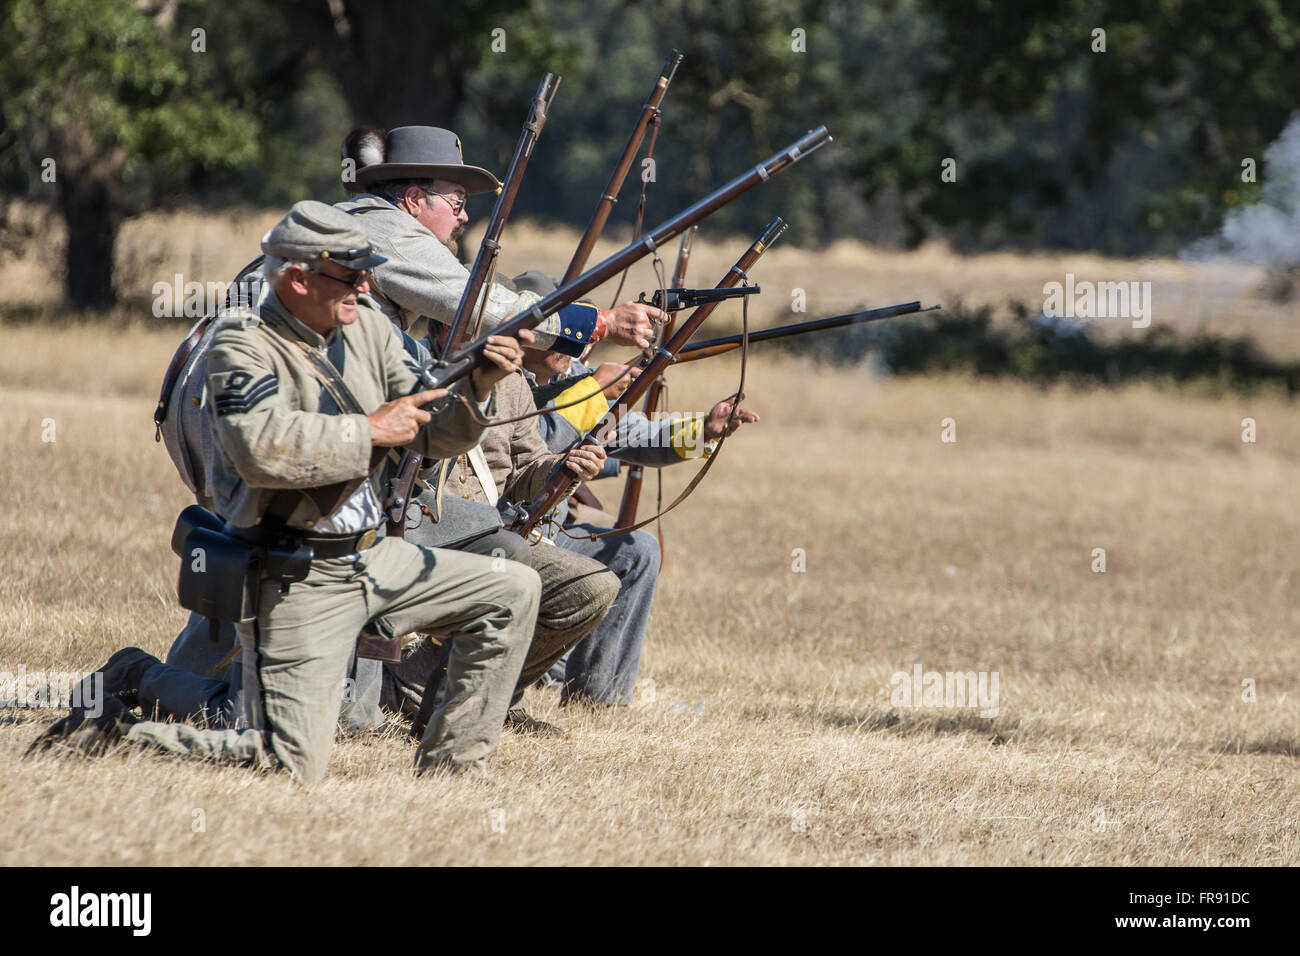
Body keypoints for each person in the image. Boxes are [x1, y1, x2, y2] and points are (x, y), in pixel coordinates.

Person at [29, 201, 541, 784]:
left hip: (373, 556)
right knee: (287, 765)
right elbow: (261, 449)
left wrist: (477, 387)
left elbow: (434, 435)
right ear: (299, 277)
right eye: (350, 275)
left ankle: (455, 769)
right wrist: (369, 431)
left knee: (514, 588)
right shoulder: (240, 345)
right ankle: (119, 735)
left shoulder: (371, 328)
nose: (365, 285)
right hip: (295, 575)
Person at [336, 124, 665, 351]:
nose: (463, 216)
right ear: (414, 199)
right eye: (457, 201)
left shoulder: (364, 222)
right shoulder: (393, 232)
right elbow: (483, 308)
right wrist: (602, 323)